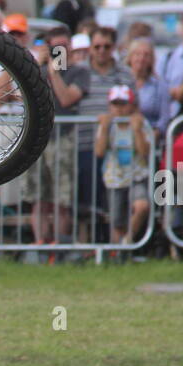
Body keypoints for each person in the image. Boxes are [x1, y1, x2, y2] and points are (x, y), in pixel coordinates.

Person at [30, 27, 90, 248]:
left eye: (64, 46)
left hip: (63, 138)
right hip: (38, 140)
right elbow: (18, 93)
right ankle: (40, 244)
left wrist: (54, 72)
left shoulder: (79, 72)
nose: (61, 51)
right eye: (56, 47)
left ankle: (58, 245)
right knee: (39, 199)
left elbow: (66, 99)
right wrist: (36, 65)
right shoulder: (38, 71)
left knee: (61, 200)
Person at [73, 26, 135, 238]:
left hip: (117, 148)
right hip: (85, 144)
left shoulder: (125, 74)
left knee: (114, 201)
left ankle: (112, 245)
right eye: (97, 46)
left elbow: (134, 108)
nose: (101, 50)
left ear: (114, 47)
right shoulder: (79, 70)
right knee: (87, 201)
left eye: (106, 46)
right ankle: (89, 245)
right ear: (90, 47)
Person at [95, 85, 153, 245]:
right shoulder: (107, 125)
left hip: (137, 176)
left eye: (123, 104)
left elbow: (144, 152)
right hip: (115, 179)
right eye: (115, 104)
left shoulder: (142, 124)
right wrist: (105, 128)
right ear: (109, 106)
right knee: (117, 222)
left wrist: (137, 130)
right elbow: (99, 152)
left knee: (141, 206)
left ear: (132, 106)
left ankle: (127, 242)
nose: (119, 108)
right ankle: (119, 253)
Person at [125, 37, 168, 135]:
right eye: (137, 54)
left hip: (150, 137)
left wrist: (153, 136)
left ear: (151, 59)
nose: (141, 58)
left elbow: (164, 118)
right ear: (130, 57)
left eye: (146, 55)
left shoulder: (159, 85)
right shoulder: (121, 82)